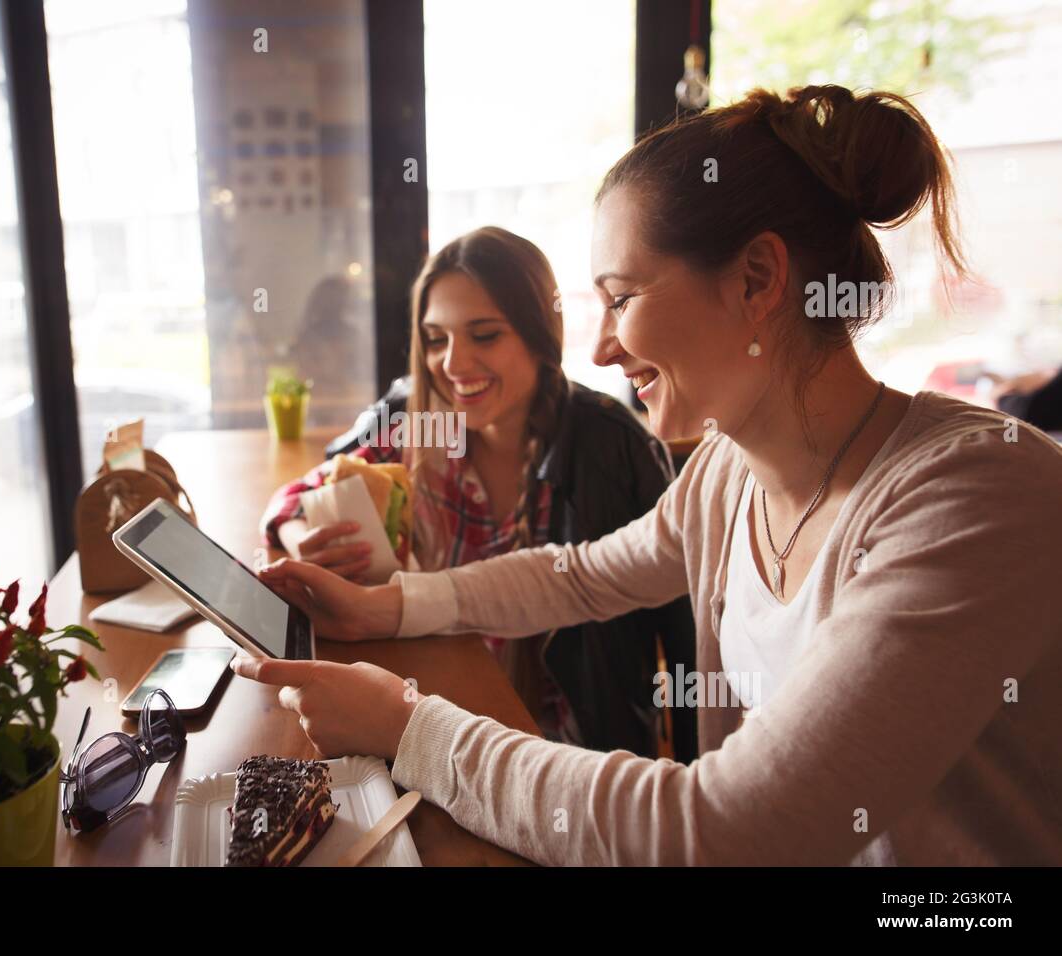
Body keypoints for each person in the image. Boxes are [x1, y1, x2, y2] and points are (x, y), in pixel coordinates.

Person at [235, 86, 1062, 865]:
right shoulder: (726, 477)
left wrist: (409, 727)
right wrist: (386, 606)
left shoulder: (977, 497)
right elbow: (581, 575)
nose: (601, 348)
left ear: (758, 280)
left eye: (621, 298)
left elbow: (731, 827)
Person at [259, 226, 697, 758]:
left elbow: (684, 640)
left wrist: (692, 767)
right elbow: (306, 487)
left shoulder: (611, 444)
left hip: (567, 741)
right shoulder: (414, 416)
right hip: (431, 702)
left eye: (485, 335)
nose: (454, 364)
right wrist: (302, 530)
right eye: (437, 339)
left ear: (540, 333)